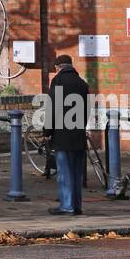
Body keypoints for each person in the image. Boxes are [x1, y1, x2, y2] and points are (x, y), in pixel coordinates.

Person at [44, 54, 90, 216]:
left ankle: (67, 205)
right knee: (77, 173)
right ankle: (77, 206)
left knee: (64, 173)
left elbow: (52, 109)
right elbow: (86, 111)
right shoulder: (82, 84)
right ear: (71, 65)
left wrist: (47, 132)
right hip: (78, 135)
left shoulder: (58, 82)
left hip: (62, 135)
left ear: (58, 67)